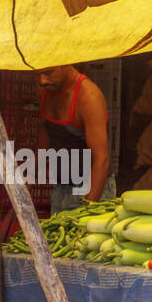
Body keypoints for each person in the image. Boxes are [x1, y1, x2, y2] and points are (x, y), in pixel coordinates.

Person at [36, 64, 113, 214]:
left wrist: (87, 210)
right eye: (36, 74)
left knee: (80, 236)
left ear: (65, 64)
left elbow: (102, 160)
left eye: (48, 73)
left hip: (90, 189)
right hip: (61, 186)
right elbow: (45, 133)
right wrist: (30, 174)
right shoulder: (46, 89)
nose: (42, 81)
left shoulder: (89, 97)